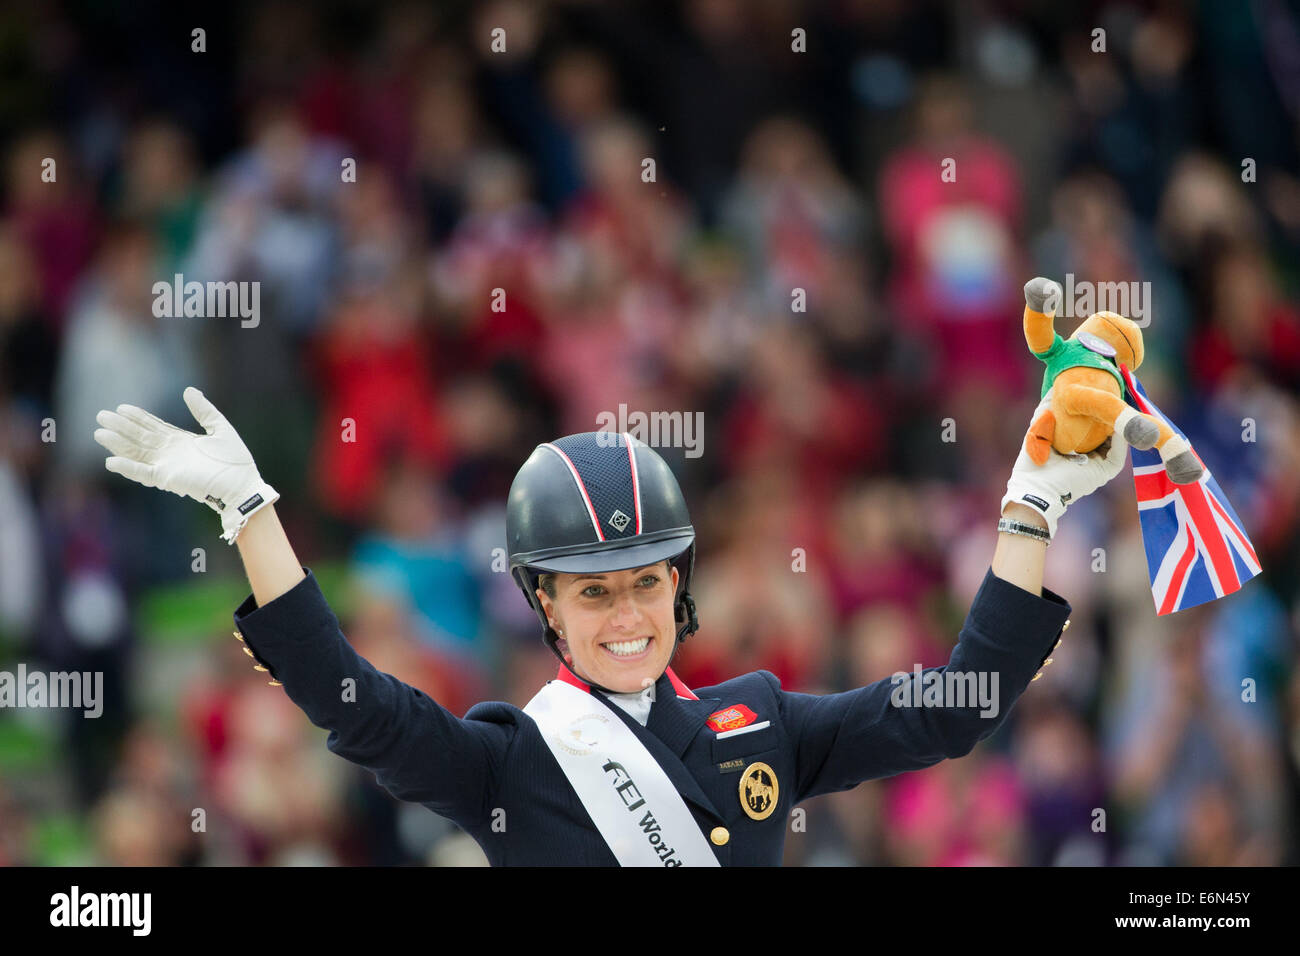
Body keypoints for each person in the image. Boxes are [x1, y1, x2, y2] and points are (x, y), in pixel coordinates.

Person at [91, 325, 1129, 866]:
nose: (626, 614)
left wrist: (1030, 507)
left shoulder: (762, 723)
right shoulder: (502, 761)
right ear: (546, 607)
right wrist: (252, 511)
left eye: (644, 582)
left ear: (678, 586)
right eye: (593, 595)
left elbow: (961, 702)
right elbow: (348, 696)